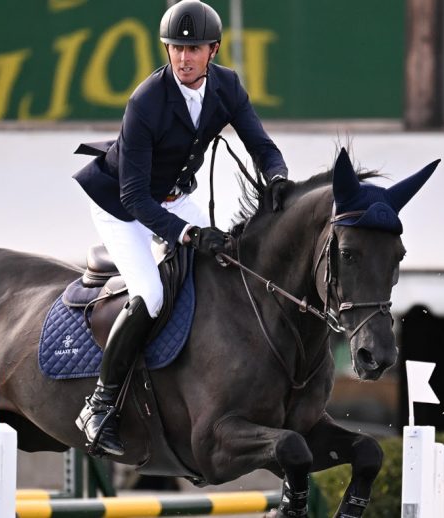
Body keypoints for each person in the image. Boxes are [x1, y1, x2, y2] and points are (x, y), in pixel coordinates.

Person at [72, 0, 290, 456]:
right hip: (121, 207)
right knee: (150, 295)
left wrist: (278, 179)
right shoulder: (147, 101)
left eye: (193, 49)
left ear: (213, 50)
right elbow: (134, 199)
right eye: (175, 48)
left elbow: (262, 146)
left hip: (175, 197)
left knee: (226, 264)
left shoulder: (227, 86)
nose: (184, 58)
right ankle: (99, 406)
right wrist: (188, 234)